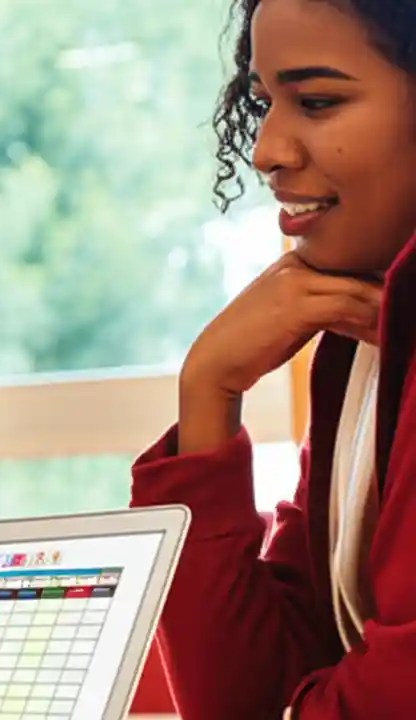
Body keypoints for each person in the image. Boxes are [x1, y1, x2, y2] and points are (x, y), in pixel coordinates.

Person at [130, 0, 416, 717]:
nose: (265, 150)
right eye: (263, 103)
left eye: (317, 102)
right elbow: (243, 697)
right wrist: (208, 389)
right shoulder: (361, 334)